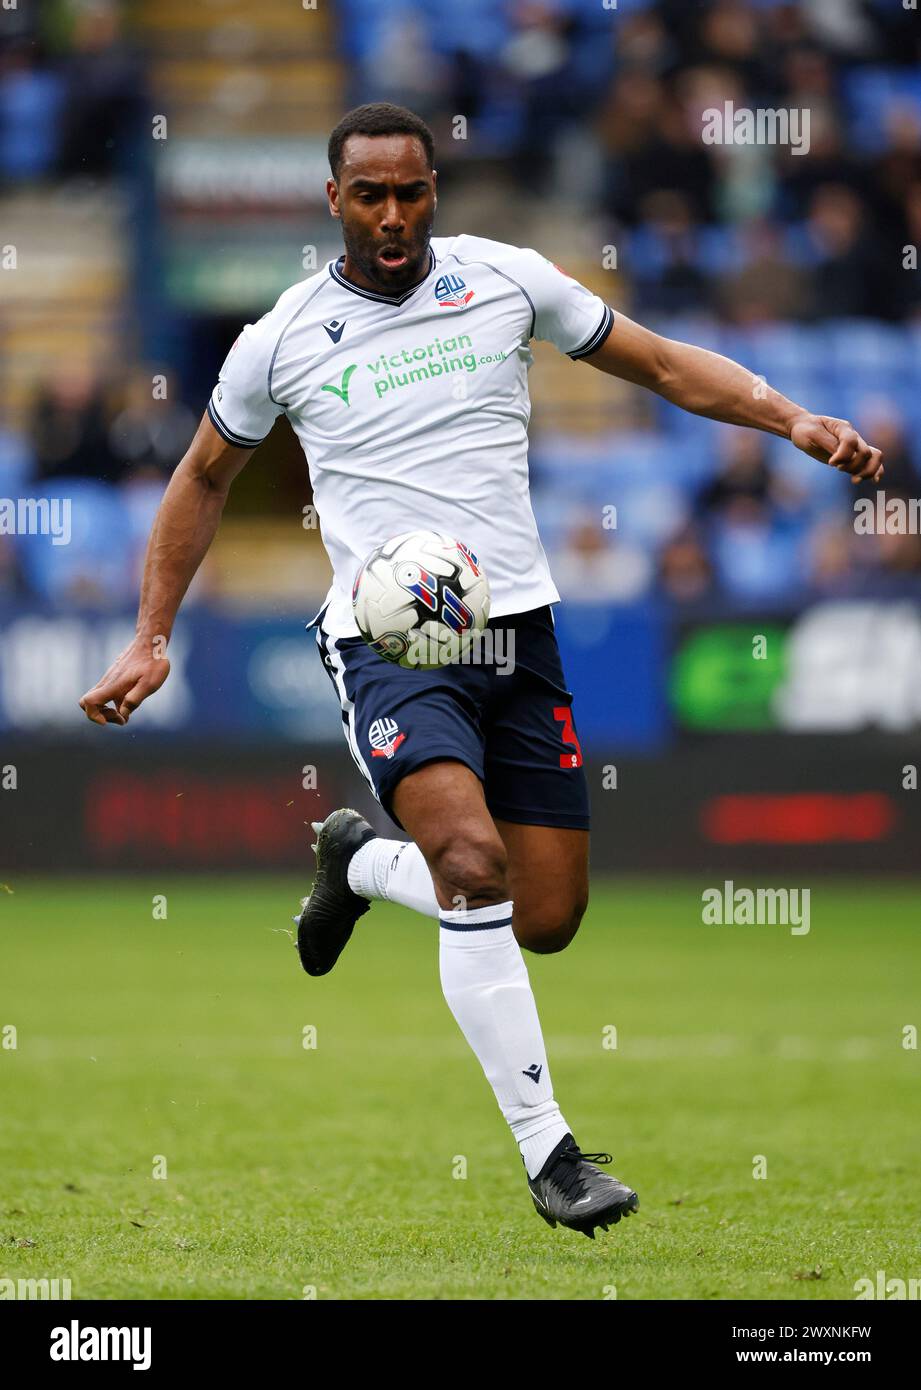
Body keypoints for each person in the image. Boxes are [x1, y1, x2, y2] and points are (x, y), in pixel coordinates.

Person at [79, 102, 884, 1239]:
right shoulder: (283, 339)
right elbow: (204, 478)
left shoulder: (504, 280)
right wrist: (152, 633)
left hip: (517, 631)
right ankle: (552, 1155)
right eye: (371, 195)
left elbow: (657, 362)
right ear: (333, 202)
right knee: (471, 859)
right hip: (388, 642)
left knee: (543, 914)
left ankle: (356, 864)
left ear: (433, 193)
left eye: (412, 192)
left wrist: (789, 417)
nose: (394, 215)